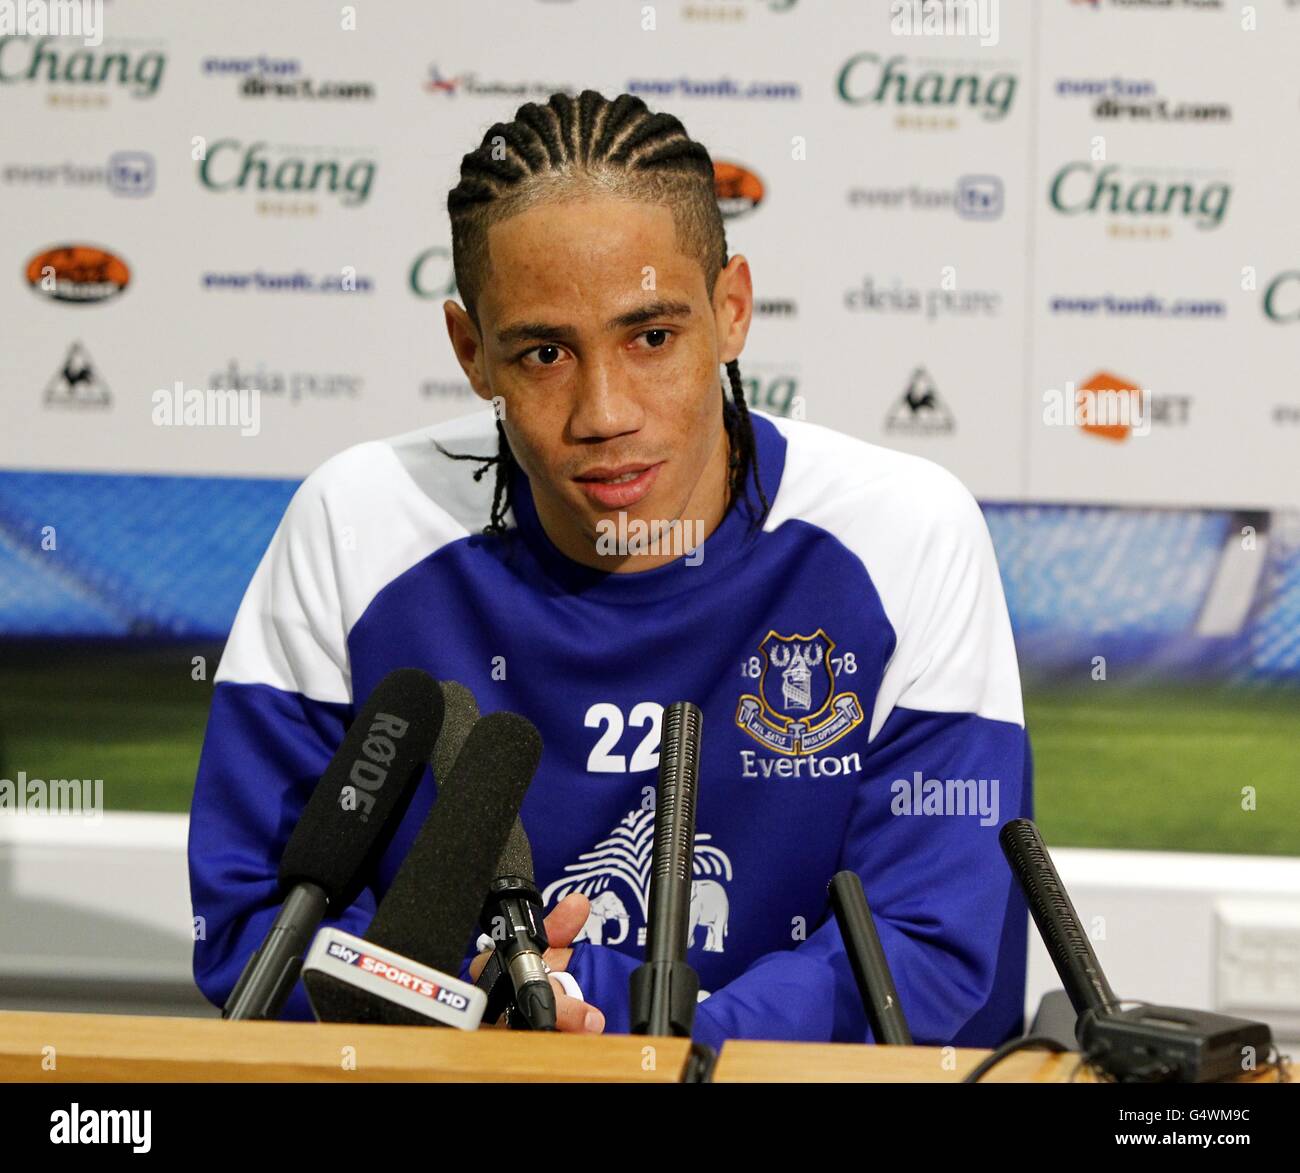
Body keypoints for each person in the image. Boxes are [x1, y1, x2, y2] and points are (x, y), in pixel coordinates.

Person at [189, 89, 1033, 1051]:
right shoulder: (356, 525)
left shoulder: (904, 533)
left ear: (733, 309)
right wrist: (471, 996)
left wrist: (643, 1030)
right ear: (472, 354)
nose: (603, 412)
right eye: (544, 352)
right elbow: (250, 928)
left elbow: (932, 952)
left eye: (652, 338)